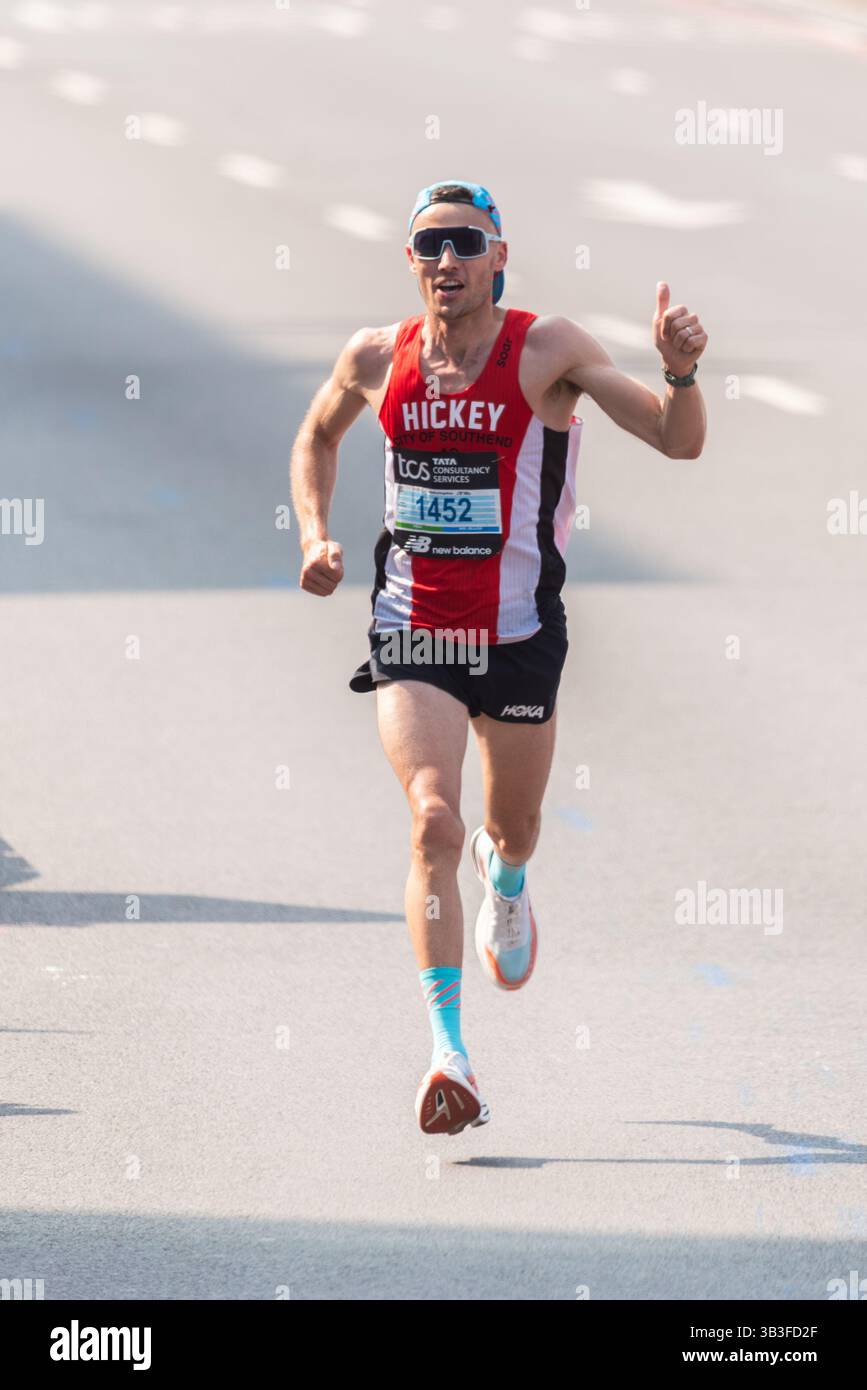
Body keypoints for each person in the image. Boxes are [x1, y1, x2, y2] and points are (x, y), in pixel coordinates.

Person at [290, 180, 707, 1135]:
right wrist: (314, 534)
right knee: (431, 821)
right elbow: (317, 434)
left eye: (465, 242)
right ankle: (450, 1057)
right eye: (429, 244)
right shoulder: (373, 356)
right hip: (415, 630)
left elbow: (674, 443)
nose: (447, 261)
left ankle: (506, 880)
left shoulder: (547, 349)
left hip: (518, 637)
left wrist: (680, 375)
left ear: (498, 257)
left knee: (507, 832)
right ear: (410, 262)